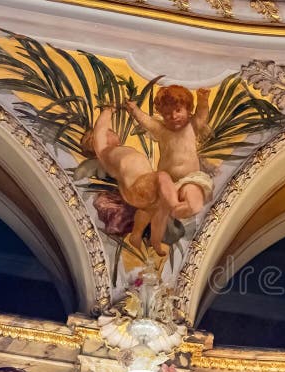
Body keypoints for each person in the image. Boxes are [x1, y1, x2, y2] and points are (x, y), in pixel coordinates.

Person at [89, 106, 177, 254]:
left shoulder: (116, 151)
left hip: (140, 191)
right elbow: (100, 130)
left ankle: (142, 237)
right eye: (110, 132)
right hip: (138, 186)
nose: (112, 132)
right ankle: (176, 205)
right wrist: (108, 111)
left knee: (157, 210)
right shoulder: (104, 152)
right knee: (163, 176)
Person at [125, 85, 213, 220]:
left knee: (193, 196)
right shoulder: (161, 130)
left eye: (178, 110)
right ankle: (173, 208)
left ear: (188, 109)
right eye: (167, 113)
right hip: (168, 183)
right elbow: (145, 120)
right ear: (161, 114)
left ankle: (185, 209)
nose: (173, 116)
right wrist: (134, 109)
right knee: (161, 184)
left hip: (190, 179)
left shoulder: (192, 126)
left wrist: (203, 100)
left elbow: (201, 115)